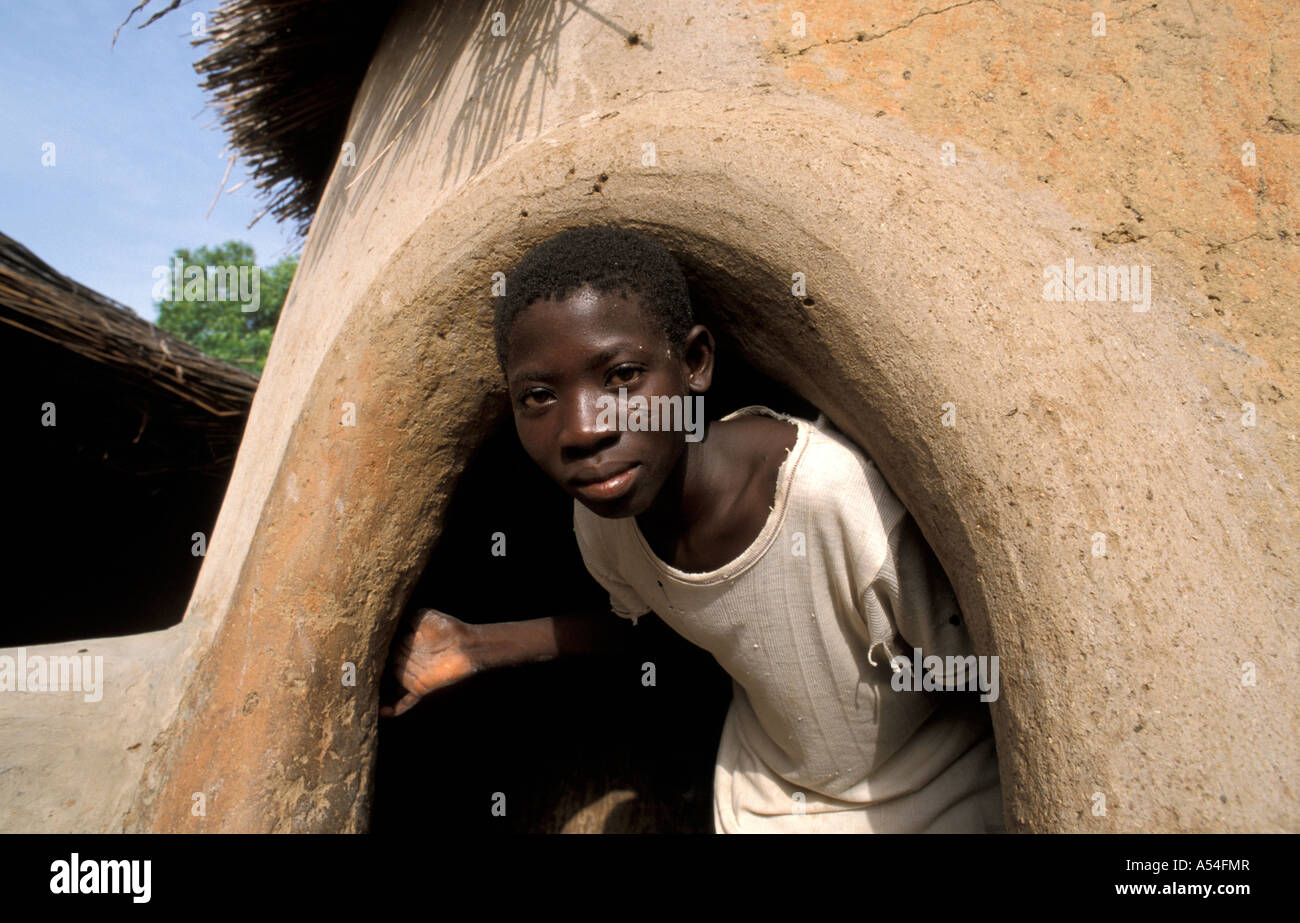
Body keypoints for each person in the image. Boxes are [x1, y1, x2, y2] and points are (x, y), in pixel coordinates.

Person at [381, 225, 1004, 832]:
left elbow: (977, 676)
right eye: (539, 396)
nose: (581, 430)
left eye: (622, 376)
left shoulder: (831, 499)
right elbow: (657, 629)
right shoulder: (603, 518)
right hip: (763, 795)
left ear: (696, 364)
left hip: (943, 787)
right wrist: (477, 645)